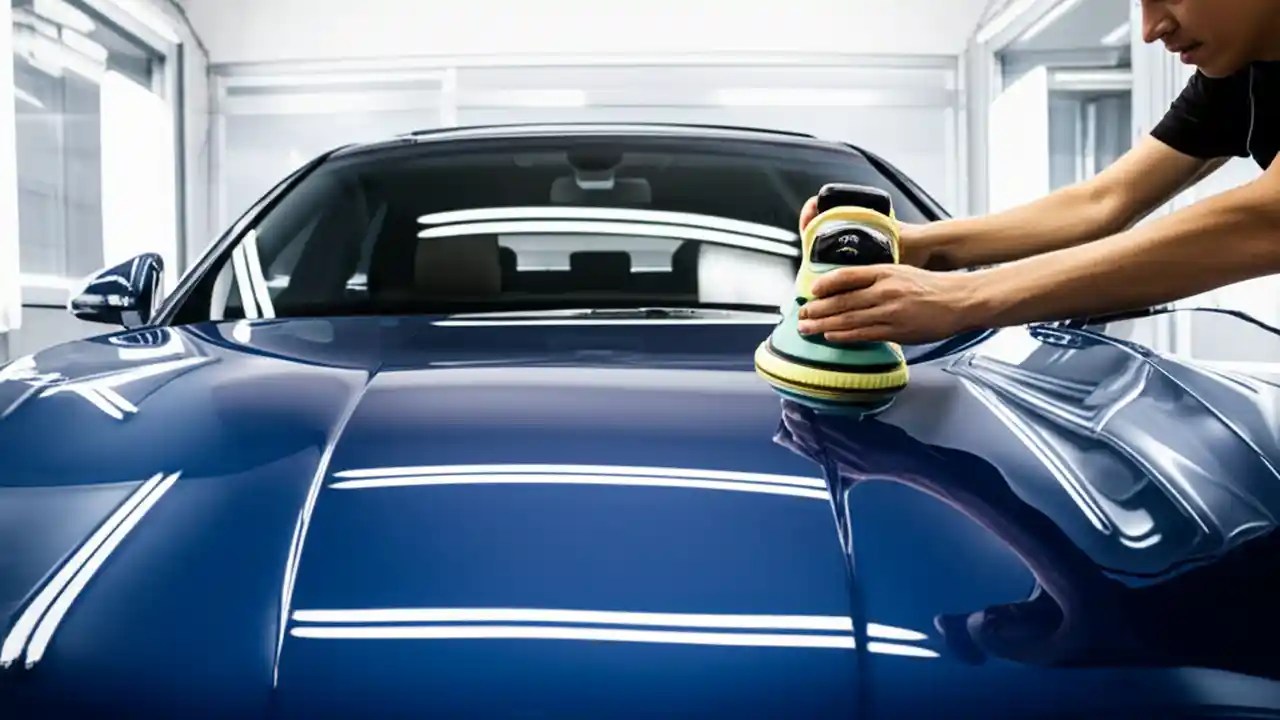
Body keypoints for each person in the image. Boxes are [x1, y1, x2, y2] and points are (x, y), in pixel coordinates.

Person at [796, 0, 1280, 345]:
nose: (1151, 28)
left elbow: (1265, 221)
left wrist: (963, 298)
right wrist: (924, 244)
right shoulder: (1240, 72)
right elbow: (1105, 201)